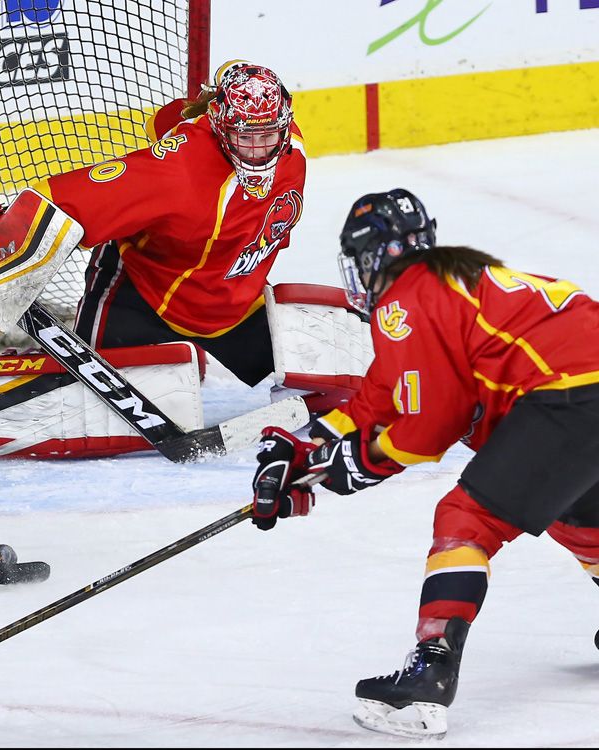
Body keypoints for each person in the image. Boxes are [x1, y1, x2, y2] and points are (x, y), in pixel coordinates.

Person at [250, 188, 599, 738]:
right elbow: (382, 395)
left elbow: (429, 427)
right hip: (582, 395)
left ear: (372, 256)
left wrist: (351, 467)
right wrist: (304, 448)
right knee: (580, 519)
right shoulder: (449, 285)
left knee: (467, 520)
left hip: (571, 398)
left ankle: (431, 673)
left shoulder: (405, 298)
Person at [31, 59, 307, 388]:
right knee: (86, 398)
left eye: (269, 135)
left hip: (230, 307)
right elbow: (84, 197)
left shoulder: (293, 149)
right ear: (220, 125)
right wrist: (23, 225)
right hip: (141, 294)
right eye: (245, 137)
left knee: (313, 374)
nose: (259, 152)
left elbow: (166, 119)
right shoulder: (180, 170)